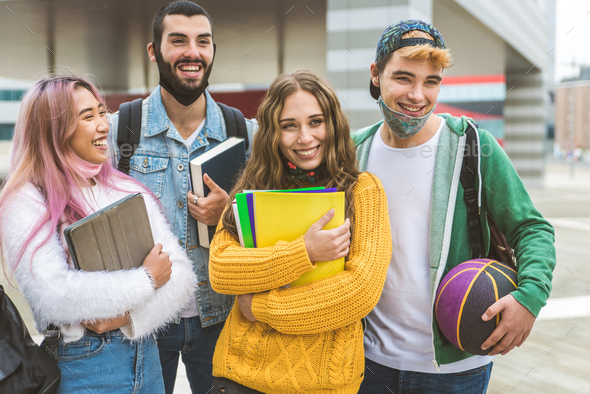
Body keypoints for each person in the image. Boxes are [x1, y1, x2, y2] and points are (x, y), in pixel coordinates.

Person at [354, 20, 556, 393]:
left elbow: (531, 228)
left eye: (431, 82)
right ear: (376, 74)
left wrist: (530, 299)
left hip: (455, 370)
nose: (418, 95)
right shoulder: (353, 152)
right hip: (367, 363)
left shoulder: (472, 145)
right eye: (403, 78)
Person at [0, 76, 196, 393]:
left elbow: (182, 275)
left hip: (147, 357)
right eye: (88, 117)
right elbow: (54, 296)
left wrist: (125, 317)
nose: (104, 125)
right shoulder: (26, 199)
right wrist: (147, 279)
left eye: (102, 112)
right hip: (83, 365)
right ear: (53, 129)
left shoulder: (124, 188)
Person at [207, 69, 392, 393]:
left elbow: (357, 294)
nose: (305, 137)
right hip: (240, 377)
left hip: (323, 383)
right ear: (272, 133)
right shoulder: (253, 188)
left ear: (332, 124)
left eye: (315, 122)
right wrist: (303, 253)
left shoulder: (363, 191)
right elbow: (222, 271)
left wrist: (261, 306)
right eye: (289, 126)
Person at [107, 2, 256, 393]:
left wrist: (231, 214)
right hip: (145, 322)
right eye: (179, 41)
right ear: (154, 51)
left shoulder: (246, 134)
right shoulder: (117, 133)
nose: (193, 52)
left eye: (202, 42)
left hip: (224, 319)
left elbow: (274, 236)